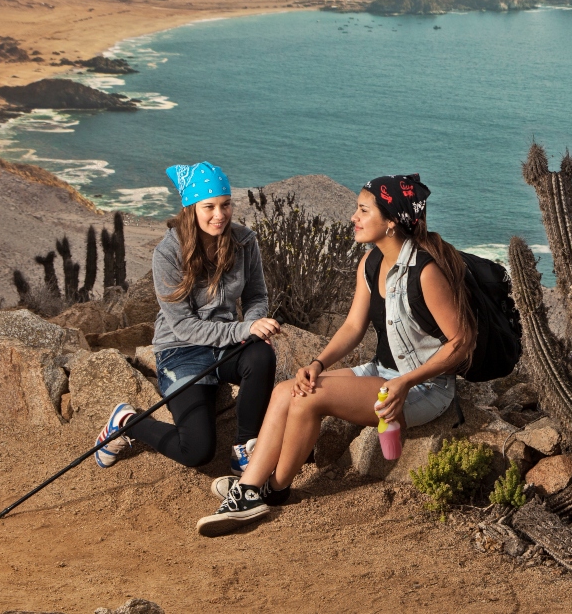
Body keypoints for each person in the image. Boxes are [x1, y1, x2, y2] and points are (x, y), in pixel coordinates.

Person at [196, 174, 475, 536]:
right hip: (384, 372)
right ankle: (252, 485)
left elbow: (461, 342)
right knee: (287, 390)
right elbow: (352, 327)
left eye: (363, 210)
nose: (353, 218)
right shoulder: (370, 263)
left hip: (425, 388)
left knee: (311, 399)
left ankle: (269, 491)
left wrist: (406, 382)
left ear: (391, 222)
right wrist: (316, 363)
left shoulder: (425, 272)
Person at [94, 161, 281, 475]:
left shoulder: (245, 242)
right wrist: (244, 327)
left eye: (225, 205)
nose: (219, 215)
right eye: (209, 206)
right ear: (190, 208)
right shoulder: (167, 254)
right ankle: (127, 423)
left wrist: (254, 324)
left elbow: (256, 297)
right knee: (196, 450)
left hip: (224, 344)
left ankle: (244, 448)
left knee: (261, 354)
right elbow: (182, 325)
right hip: (181, 351)